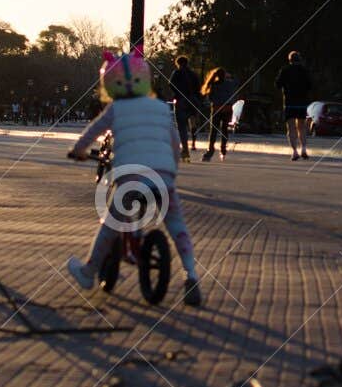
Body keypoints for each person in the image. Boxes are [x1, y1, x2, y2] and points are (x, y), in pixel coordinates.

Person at [65, 47, 202, 307]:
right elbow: (175, 144)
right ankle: (191, 275)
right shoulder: (161, 108)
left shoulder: (116, 109)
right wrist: (171, 169)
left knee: (111, 223)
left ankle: (88, 272)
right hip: (164, 178)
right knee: (176, 225)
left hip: (130, 178)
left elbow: (92, 131)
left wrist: (78, 150)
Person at [276, 51, 313, 161]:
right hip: (302, 103)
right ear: (299, 59)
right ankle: (304, 149)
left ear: (290, 60)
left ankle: (295, 152)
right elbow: (310, 85)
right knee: (301, 127)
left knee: (291, 127)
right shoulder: (305, 71)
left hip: (289, 103)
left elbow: (277, 84)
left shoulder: (285, 70)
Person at [168, 55, 202, 162]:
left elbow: (170, 84)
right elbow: (198, 88)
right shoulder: (193, 74)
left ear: (178, 63)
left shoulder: (177, 73)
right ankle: (193, 142)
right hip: (193, 101)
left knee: (182, 127)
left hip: (181, 101)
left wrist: (177, 93)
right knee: (193, 123)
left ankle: (185, 150)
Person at [200, 66, 236, 161]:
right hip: (227, 108)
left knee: (213, 131)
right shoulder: (229, 84)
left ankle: (210, 150)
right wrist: (230, 76)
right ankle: (223, 150)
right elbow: (236, 83)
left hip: (216, 108)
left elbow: (211, 97)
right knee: (224, 130)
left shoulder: (213, 84)